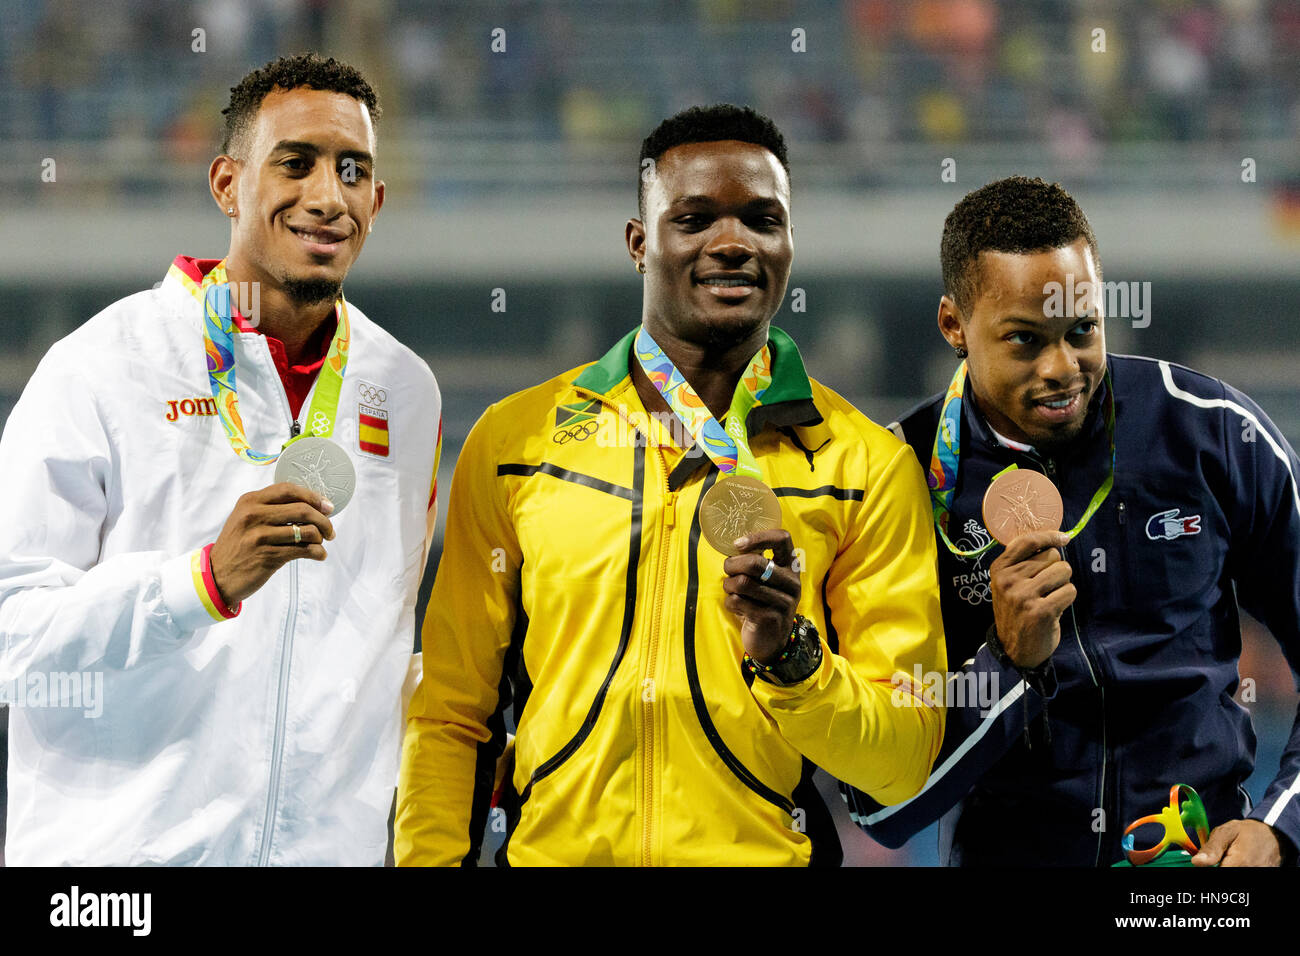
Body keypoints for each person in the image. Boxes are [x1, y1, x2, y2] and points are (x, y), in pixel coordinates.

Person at [394, 104, 946, 866]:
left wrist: (794, 660)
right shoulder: (516, 443)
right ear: (639, 242)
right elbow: (454, 714)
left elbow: (902, 760)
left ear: (789, 243)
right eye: (694, 220)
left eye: (762, 219)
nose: (732, 244)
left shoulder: (864, 467)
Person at [0, 53, 442, 865]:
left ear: (376, 201)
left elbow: (373, 648)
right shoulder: (101, 365)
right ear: (227, 184)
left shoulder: (405, 394)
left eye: (353, 171)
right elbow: (9, 637)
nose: (327, 196)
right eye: (295, 163)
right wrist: (197, 585)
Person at [842, 176, 1300, 867]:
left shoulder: (1214, 435)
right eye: (1025, 340)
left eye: (1082, 329)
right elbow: (880, 807)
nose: (1063, 368)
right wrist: (1007, 665)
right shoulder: (894, 480)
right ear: (954, 326)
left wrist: (1279, 828)